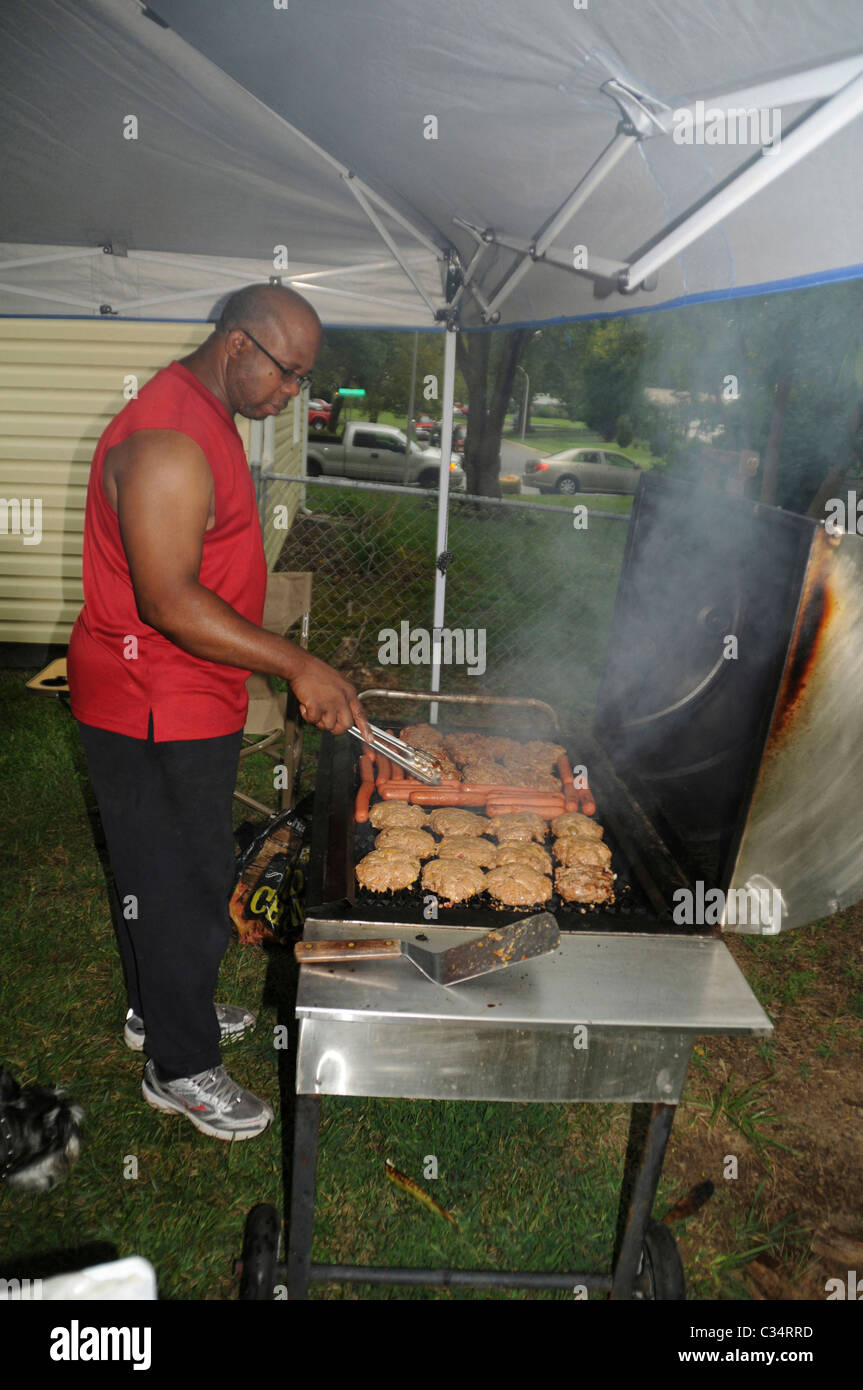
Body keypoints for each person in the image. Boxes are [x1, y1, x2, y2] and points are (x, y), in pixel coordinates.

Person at [67, 283, 370, 1141]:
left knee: (151, 872)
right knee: (185, 878)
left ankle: (160, 1011)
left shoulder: (208, 411)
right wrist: (296, 663)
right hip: (155, 696)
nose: (291, 393)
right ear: (238, 344)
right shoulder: (168, 439)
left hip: (176, 690)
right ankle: (182, 1065)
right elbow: (167, 600)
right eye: (287, 373)